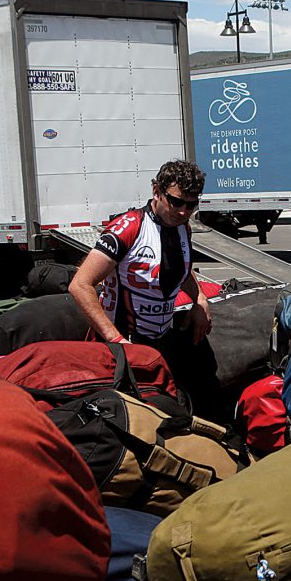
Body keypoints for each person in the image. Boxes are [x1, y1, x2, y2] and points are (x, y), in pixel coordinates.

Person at [69, 159, 223, 419]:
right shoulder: (129, 227)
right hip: (118, 347)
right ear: (156, 191)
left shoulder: (183, 227)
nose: (183, 211)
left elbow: (183, 272)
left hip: (156, 344)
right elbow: (80, 285)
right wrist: (116, 340)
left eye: (191, 204)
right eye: (175, 202)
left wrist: (199, 300)